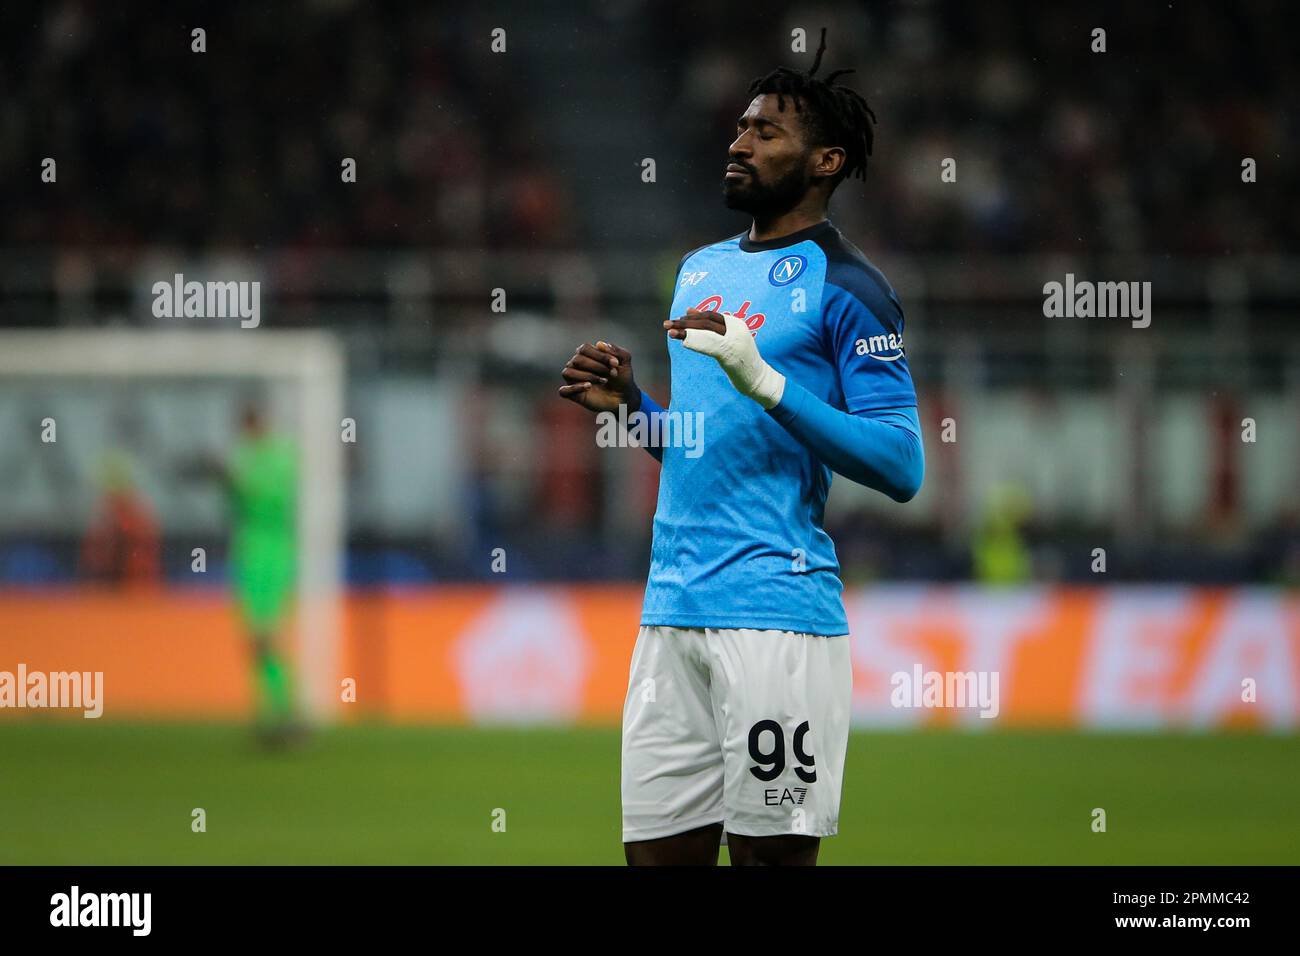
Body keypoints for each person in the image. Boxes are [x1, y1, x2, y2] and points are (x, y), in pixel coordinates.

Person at [559, 30, 924, 865]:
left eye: (767, 132)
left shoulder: (853, 289)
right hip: (670, 615)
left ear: (826, 161)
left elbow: (904, 465)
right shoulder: (699, 268)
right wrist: (633, 410)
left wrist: (769, 382)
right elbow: (702, 446)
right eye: (740, 127)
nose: (739, 142)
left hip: (775, 622)